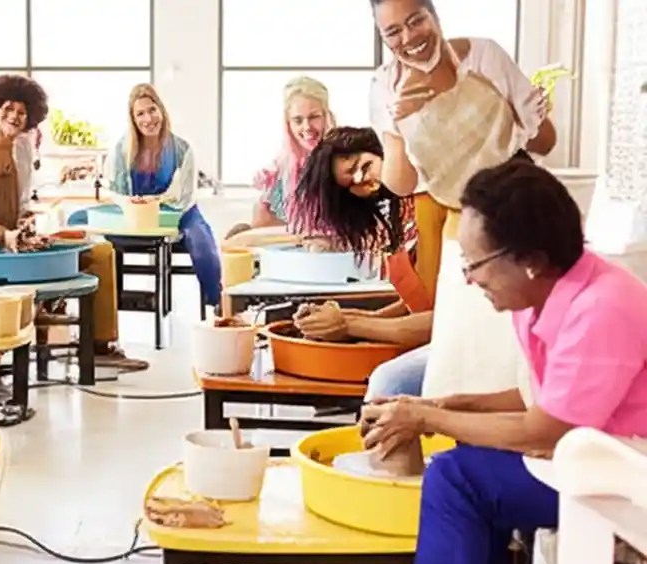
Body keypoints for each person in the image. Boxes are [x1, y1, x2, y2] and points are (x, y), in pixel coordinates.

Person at [356, 161, 647, 564]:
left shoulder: (604, 307)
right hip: (594, 456)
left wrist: (426, 419)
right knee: (464, 465)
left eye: (476, 263)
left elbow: (545, 428)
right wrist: (445, 405)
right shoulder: (545, 294)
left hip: (628, 480)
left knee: (456, 477)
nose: (469, 277)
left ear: (531, 260)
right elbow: (540, 397)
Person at [368, 0, 555, 403]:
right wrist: (398, 123)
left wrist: (515, 111)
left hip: (523, 218)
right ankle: (458, 452)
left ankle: (522, 450)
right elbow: (400, 185)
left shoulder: (485, 55)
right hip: (462, 228)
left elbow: (545, 141)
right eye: (393, 32)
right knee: (461, 363)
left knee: (521, 363)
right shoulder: (385, 85)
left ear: (434, 15)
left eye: (416, 20)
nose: (408, 37)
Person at [0, 74, 147, 371]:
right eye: (8, 109)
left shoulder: (23, 147)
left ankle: (100, 346)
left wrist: (27, 222)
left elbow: (26, 201)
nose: (15, 116)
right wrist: (4, 234)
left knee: (102, 251)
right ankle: (10, 346)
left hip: (19, 241)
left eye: (22, 112)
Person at [289, 127, 432, 399]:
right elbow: (420, 300)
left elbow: (442, 318)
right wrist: (340, 320)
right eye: (351, 184)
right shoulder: (397, 213)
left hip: (464, 340)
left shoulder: (429, 201)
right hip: (431, 330)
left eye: (365, 166)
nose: (364, 182)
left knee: (389, 383)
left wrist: (349, 325)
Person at [99, 84, 221, 312]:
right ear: (133, 120)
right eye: (140, 114)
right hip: (135, 214)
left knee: (203, 246)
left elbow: (184, 197)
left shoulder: (183, 149)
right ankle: (111, 309)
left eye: (152, 110)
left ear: (162, 111)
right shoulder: (121, 150)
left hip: (180, 212)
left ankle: (216, 303)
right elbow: (113, 190)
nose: (148, 118)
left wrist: (156, 208)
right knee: (103, 248)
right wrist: (131, 204)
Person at [226, 76, 336, 241]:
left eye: (314, 117)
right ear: (288, 124)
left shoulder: (344, 158)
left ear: (327, 116)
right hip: (290, 249)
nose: (307, 127)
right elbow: (264, 220)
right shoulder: (282, 168)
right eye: (298, 120)